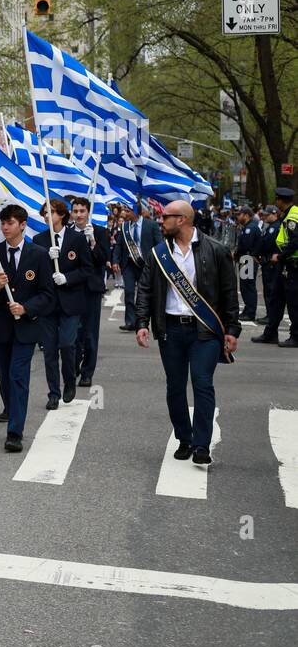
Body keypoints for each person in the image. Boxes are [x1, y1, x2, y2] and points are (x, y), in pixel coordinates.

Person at [134, 199, 240, 466]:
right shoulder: (158, 253)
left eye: (165, 216)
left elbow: (229, 292)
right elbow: (145, 289)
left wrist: (232, 329)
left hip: (204, 331)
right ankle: (185, 438)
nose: (161, 220)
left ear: (181, 219)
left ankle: (202, 445)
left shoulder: (216, 250)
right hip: (169, 329)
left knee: (202, 383)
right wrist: (141, 323)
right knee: (175, 387)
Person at [0, 204, 56, 452]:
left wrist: (26, 308)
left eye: (10, 223)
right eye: (2, 223)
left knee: (18, 377)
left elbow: (48, 294)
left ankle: (15, 432)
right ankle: (13, 413)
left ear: (22, 225)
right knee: (6, 378)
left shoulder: (39, 254)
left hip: (26, 328)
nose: (5, 227)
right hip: (0, 327)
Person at [33, 198, 94, 408]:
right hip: (48, 303)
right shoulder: (39, 240)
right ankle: (53, 393)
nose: (47, 216)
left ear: (61, 215)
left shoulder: (76, 239)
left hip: (70, 301)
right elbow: (35, 274)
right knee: (49, 350)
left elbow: (87, 269)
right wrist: (47, 260)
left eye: (50, 212)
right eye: (44, 213)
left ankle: (69, 382)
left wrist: (67, 277)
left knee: (67, 344)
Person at [70, 197, 110, 387]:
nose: (78, 215)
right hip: (71, 288)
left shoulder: (100, 232)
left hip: (91, 289)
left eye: (82, 211)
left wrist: (92, 240)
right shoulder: (66, 233)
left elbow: (102, 259)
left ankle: (87, 372)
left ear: (88, 212)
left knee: (90, 334)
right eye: (75, 211)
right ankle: (74, 365)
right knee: (72, 333)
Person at [255, 187, 298, 347]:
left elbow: (295, 242)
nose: (276, 202)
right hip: (285, 265)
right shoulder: (288, 215)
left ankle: (296, 336)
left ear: (281, 201)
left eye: (277, 200)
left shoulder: (292, 218)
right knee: (276, 299)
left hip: (293, 266)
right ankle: (270, 333)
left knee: (293, 302)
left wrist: (280, 256)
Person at [115, 202, 156, 331]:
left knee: (142, 295)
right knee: (129, 292)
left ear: (135, 212)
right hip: (129, 265)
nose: (124, 213)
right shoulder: (124, 227)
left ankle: (141, 322)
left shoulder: (151, 225)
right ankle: (130, 322)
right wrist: (115, 261)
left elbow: (159, 244)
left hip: (145, 265)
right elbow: (119, 245)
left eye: (128, 211)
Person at [234, 206, 261, 323]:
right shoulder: (248, 227)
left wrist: (236, 254)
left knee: (248, 286)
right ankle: (247, 310)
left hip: (248, 259)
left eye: (239, 214)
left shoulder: (250, 228)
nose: (237, 216)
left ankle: (250, 312)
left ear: (246, 215)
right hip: (246, 259)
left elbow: (246, 245)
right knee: (245, 286)